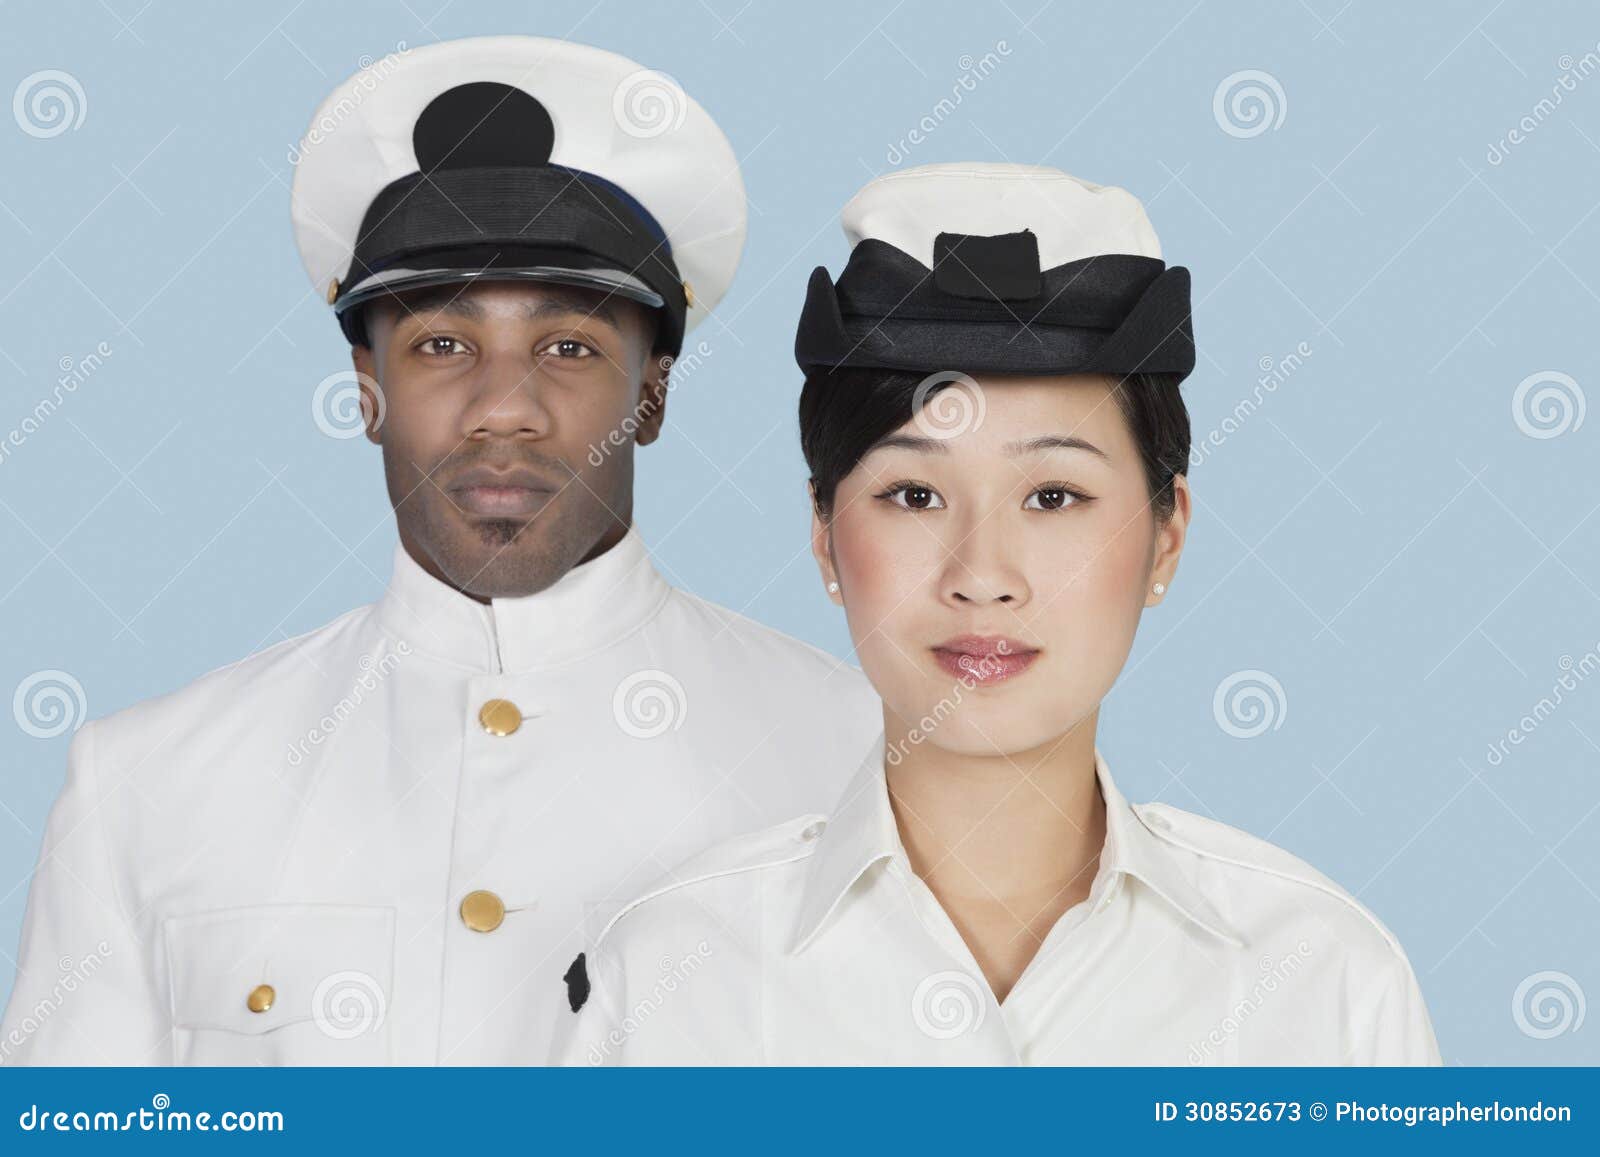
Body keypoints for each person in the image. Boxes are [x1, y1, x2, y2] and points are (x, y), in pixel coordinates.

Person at [0, 35, 879, 1066]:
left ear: (651, 393)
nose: (503, 409)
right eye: (441, 345)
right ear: (367, 392)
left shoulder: (860, 756)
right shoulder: (147, 783)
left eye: (569, 347)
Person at [552, 162, 1442, 1065]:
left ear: (1166, 536)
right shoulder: (670, 978)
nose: (983, 575)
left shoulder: (1323, 980)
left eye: (1054, 496)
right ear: (824, 534)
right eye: (912, 493)